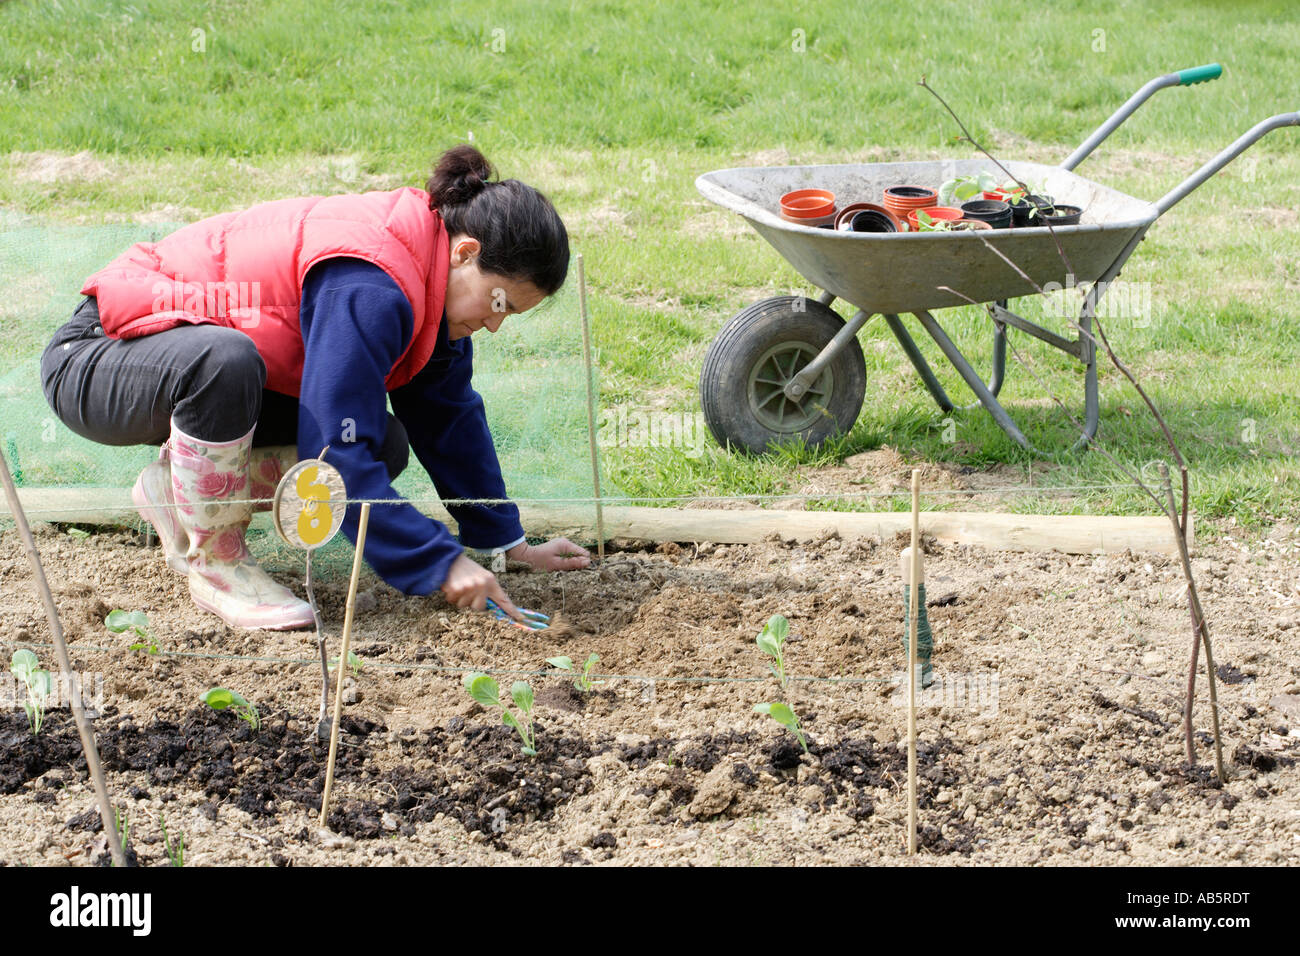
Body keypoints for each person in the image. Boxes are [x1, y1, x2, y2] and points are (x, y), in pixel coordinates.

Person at [41, 145, 590, 630]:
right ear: (466, 253)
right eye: (500, 303)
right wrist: (438, 562)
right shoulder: (374, 280)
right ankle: (219, 565)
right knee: (226, 363)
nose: (496, 324)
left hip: (184, 370)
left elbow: (447, 416)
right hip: (98, 356)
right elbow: (337, 454)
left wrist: (504, 540)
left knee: (385, 442)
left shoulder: (430, 285)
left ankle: (174, 490)